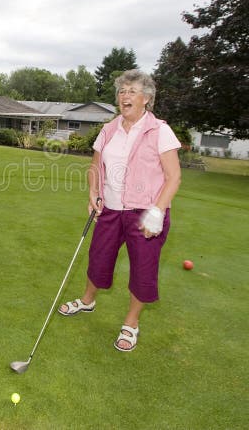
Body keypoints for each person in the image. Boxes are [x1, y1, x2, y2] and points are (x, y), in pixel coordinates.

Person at [57, 70, 182, 352]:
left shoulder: (159, 131)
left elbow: (174, 177)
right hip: (110, 209)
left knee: (143, 268)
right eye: (122, 91)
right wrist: (93, 192)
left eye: (132, 91)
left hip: (145, 212)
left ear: (146, 98)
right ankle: (88, 300)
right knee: (98, 258)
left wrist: (157, 212)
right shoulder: (109, 129)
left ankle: (131, 323)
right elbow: (95, 166)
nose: (125, 96)